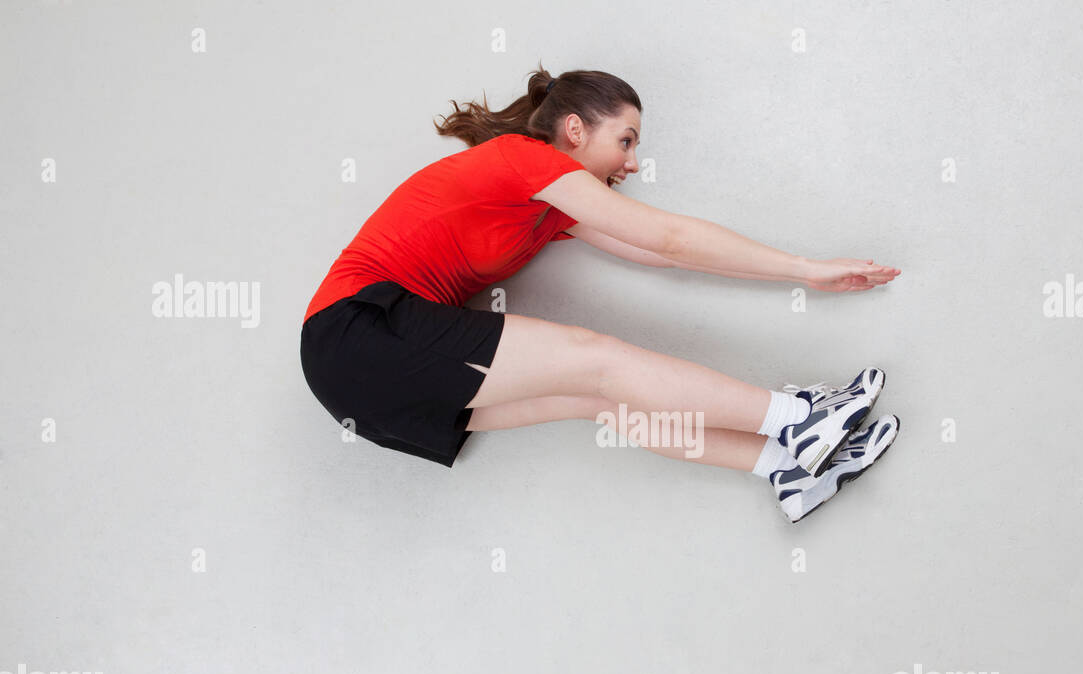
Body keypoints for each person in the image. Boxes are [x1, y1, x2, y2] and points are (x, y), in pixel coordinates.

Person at [299, 67, 902, 522]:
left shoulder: (551, 213)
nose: (634, 163)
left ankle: (784, 469)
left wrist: (801, 272)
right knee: (599, 358)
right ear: (575, 129)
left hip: (361, 388)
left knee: (603, 400)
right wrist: (805, 267)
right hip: (357, 329)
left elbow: (664, 252)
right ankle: (801, 419)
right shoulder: (520, 158)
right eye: (627, 140)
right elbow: (668, 233)